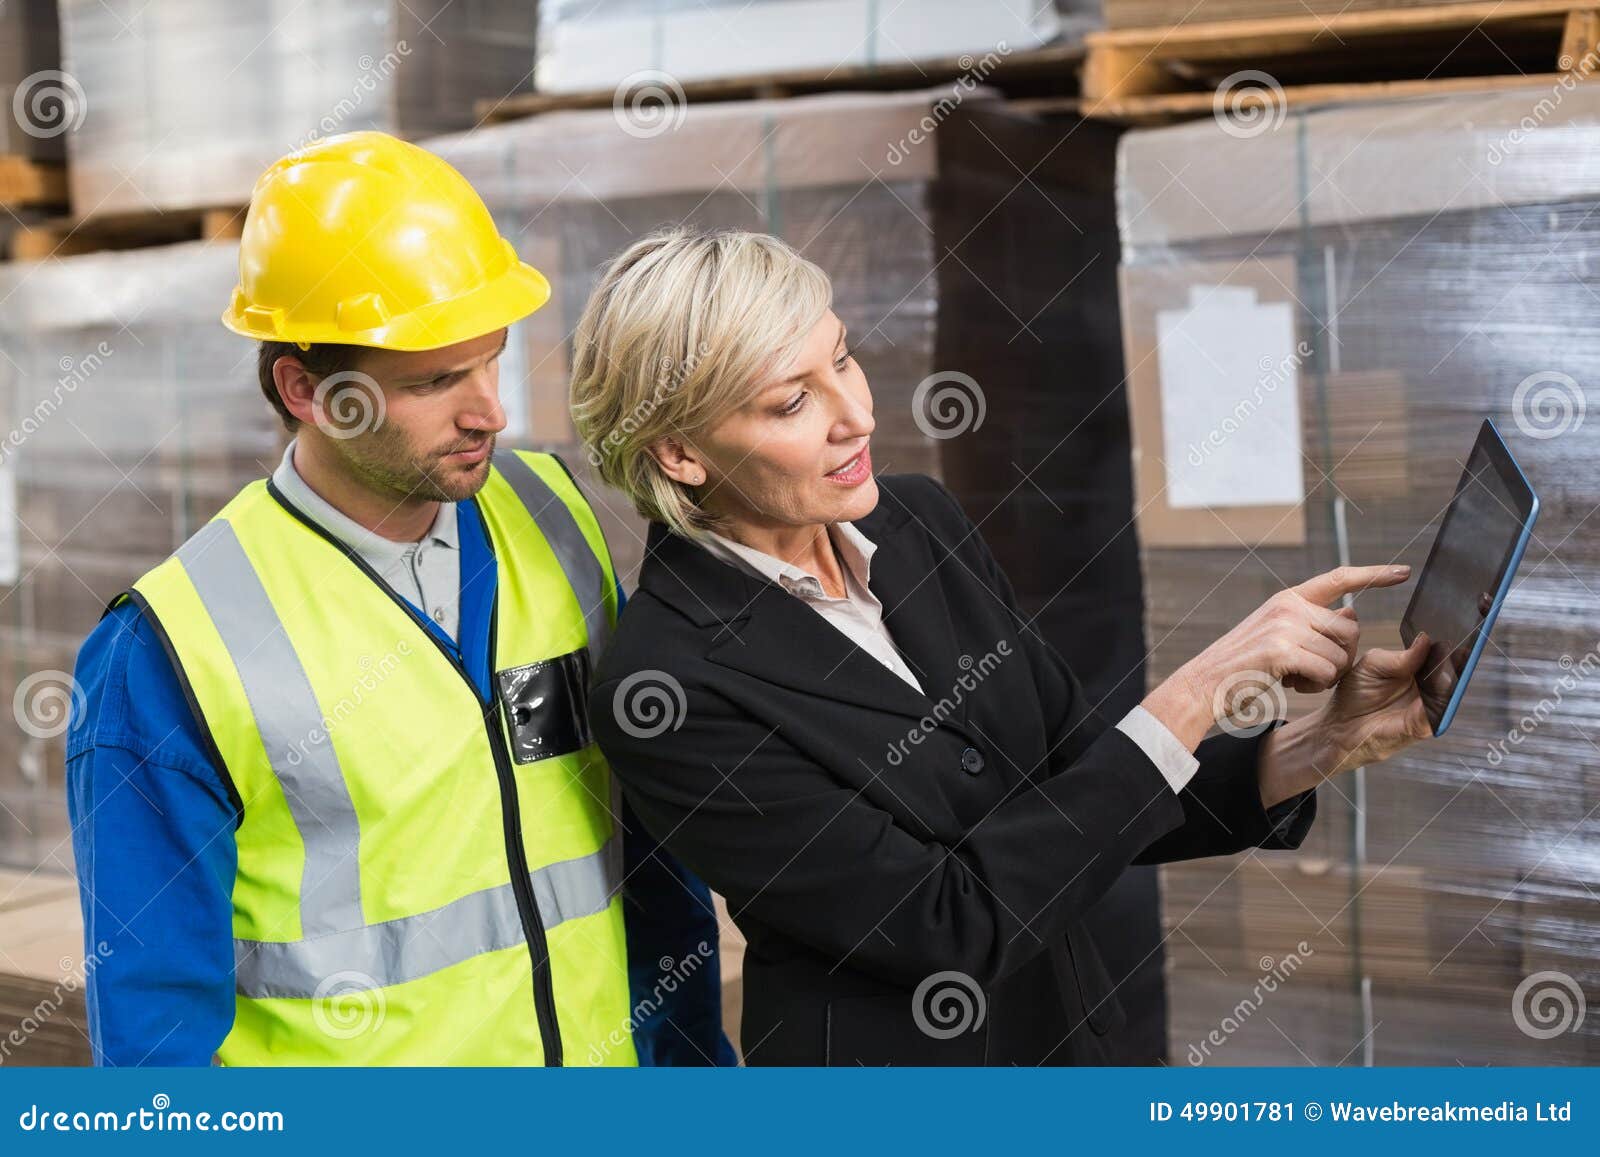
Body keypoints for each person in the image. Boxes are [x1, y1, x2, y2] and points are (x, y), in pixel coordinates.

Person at [572, 227, 1435, 1066]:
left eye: (842, 358)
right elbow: (946, 923)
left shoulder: (915, 523)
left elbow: (1083, 788)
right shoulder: (672, 686)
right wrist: (1199, 687)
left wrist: (1320, 744)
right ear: (680, 452)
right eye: (792, 401)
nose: (856, 414)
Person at [66, 133, 733, 1067]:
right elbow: (154, 1036)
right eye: (435, 381)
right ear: (307, 388)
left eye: (492, 359)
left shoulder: (555, 516)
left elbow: (653, 860)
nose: (490, 411)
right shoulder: (171, 649)